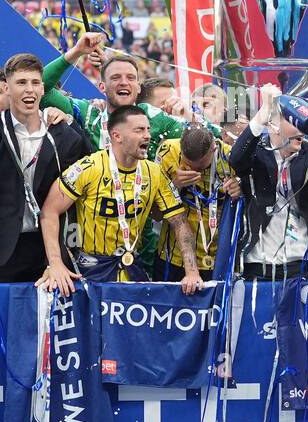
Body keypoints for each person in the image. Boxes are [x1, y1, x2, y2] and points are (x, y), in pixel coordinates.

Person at [0, 54, 89, 295]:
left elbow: (74, 205)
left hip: (47, 252)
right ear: (7, 88)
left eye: (35, 83)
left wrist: (58, 259)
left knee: (49, 329)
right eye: (21, 83)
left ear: (42, 87)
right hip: (0, 253)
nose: (29, 90)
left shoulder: (64, 135)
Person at [38, 105, 202, 294]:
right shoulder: (89, 167)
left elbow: (179, 220)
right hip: (90, 272)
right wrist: (55, 264)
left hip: (132, 270)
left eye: (148, 129)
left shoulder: (154, 172)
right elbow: (49, 211)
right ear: (117, 136)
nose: (148, 136)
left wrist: (191, 271)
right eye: (139, 130)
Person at [229, 84, 308, 280]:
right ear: (273, 125)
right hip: (259, 265)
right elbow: (236, 159)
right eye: (294, 121)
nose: (301, 128)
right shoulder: (257, 153)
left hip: (302, 264)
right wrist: (264, 111)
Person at [41, 32, 219, 151]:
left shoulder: (155, 117)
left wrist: (189, 116)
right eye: (116, 78)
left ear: (138, 87)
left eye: (131, 78)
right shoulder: (90, 114)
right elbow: (42, 89)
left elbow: (213, 140)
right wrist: (77, 51)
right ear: (102, 87)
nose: (124, 82)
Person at [153, 124, 240, 282]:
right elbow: (155, 215)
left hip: (218, 260)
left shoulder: (231, 157)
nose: (195, 172)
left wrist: (241, 192)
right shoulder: (168, 152)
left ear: (213, 149)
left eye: (200, 167)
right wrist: (174, 186)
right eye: (188, 165)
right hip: (172, 258)